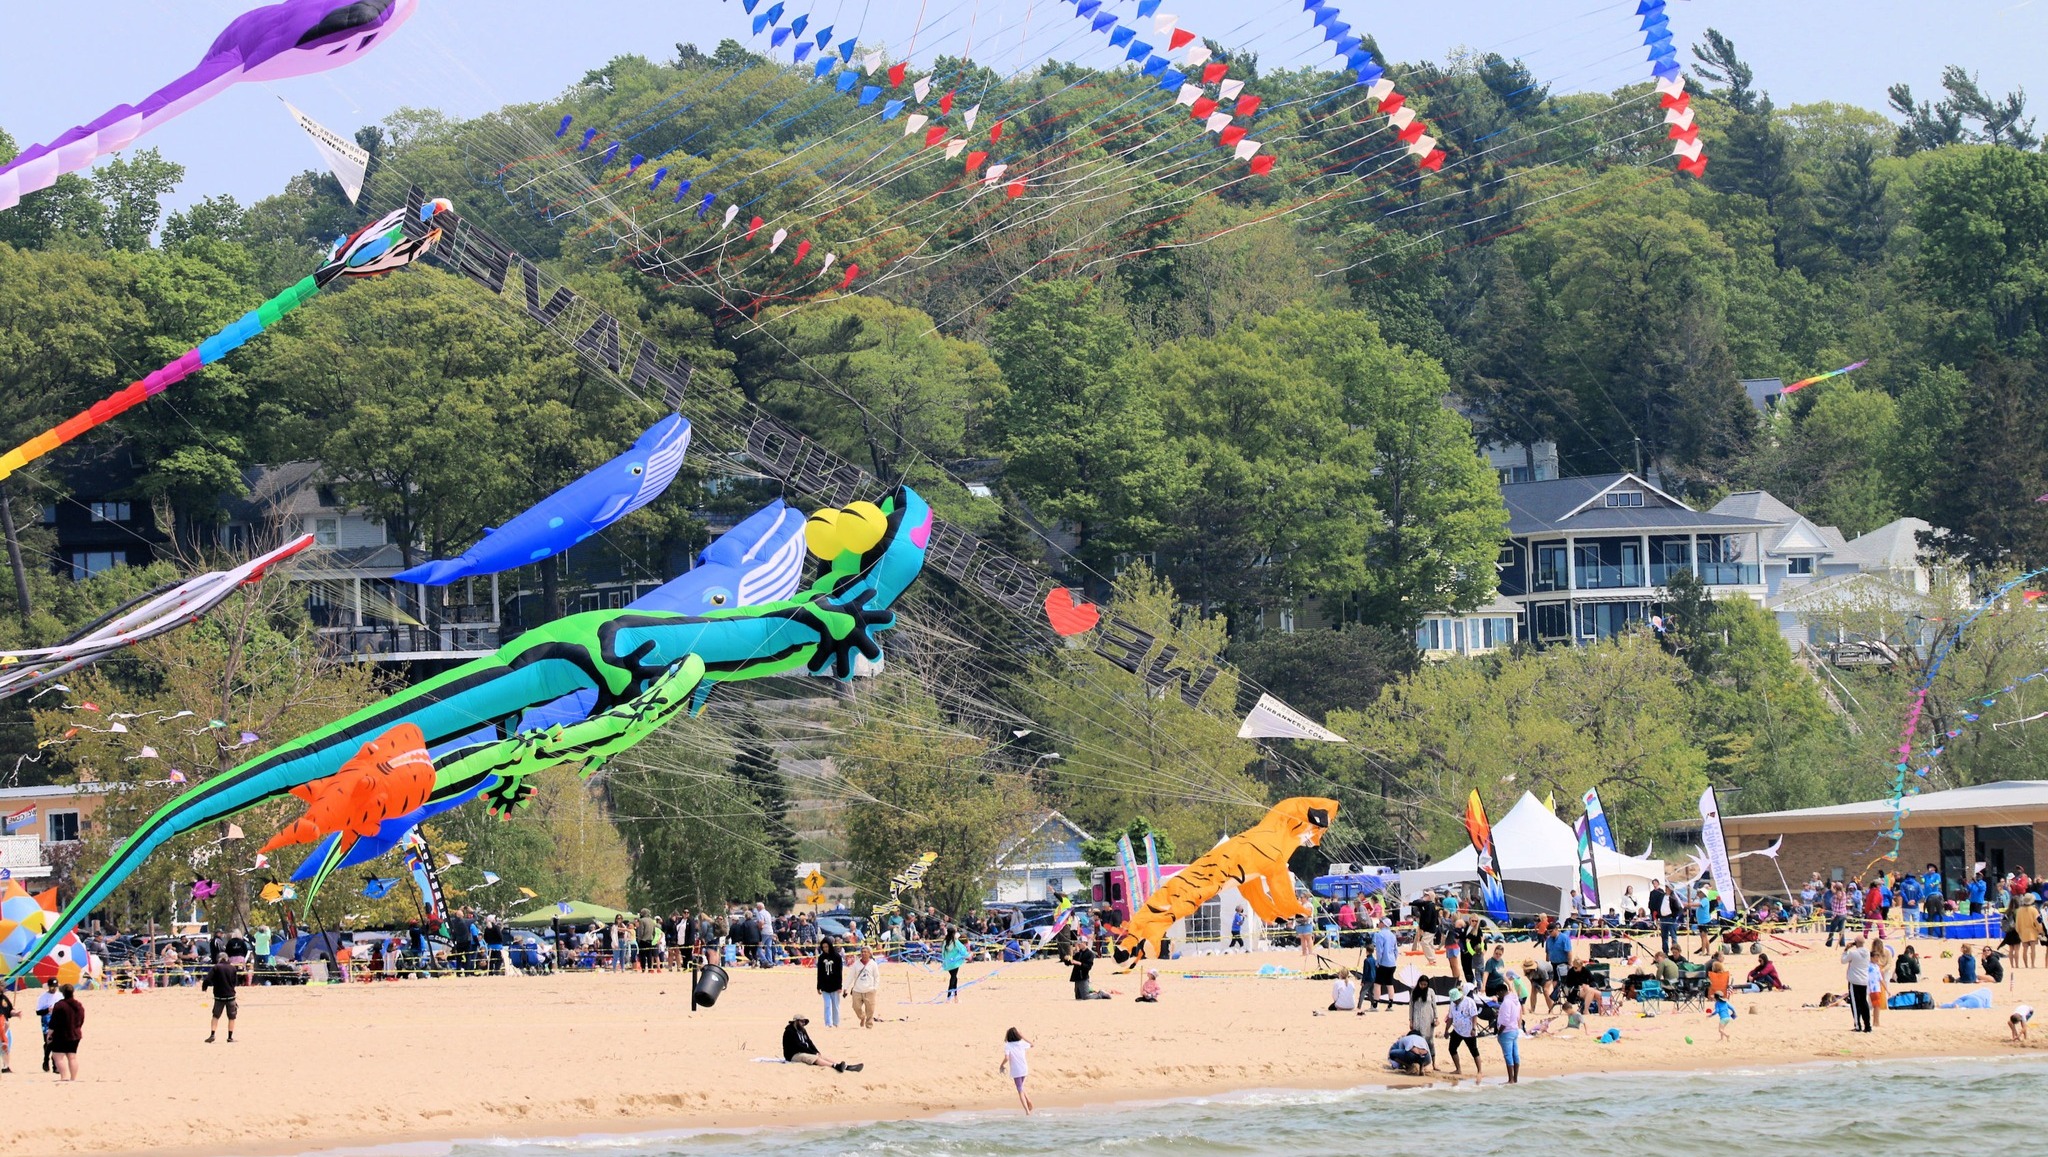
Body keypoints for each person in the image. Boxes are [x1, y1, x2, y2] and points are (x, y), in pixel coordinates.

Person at [781, 1015, 861, 1072]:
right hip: (793, 1055)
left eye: (804, 1022)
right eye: (802, 1021)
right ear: (796, 1021)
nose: (803, 1023)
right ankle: (835, 1066)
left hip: (802, 1051)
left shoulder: (802, 1030)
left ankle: (845, 1066)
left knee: (821, 1056)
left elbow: (809, 1041)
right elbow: (798, 1046)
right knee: (814, 1058)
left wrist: (816, 1051)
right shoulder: (789, 1031)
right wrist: (812, 1053)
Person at [45, 983, 82, 1081]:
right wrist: (77, 1028)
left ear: (63, 993)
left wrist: (49, 1034)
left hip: (61, 1035)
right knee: (72, 1056)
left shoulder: (59, 1005)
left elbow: (53, 1021)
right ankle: (73, 1078)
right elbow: (81, 1019)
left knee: (58, 1056)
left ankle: (64, 1077)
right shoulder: (78, 1005)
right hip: (75, 1034)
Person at [1445, 984, 1482, 1076]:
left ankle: (1480, 1071)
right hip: (1457, 1030)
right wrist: (1446, 1030)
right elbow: (1450, 1018)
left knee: (1474, 1050)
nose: (1455, 1002)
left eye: (1456, 1000)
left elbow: (1474, 1015)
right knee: (1452, 1049)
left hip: (1469, 1031)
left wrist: (1473, 1028)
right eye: (1454, 1000)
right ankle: (1458, 1069)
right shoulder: (1452, 1004)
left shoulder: (1469, 1002)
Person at [202, 951, 239, 1043]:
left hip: (219, 996)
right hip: (230, 996)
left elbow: (207, 979)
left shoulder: (216, 967)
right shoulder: (232, 968)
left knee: (215, 1016)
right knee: (231, 1017)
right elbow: (235, 982)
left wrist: (205, 987)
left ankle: (212, 1034)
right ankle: (230, 1037)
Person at [1365, 919, 1399, 1011]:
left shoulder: (1379, 935)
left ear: (1383, 924)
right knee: (1390, 983)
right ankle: (1390, 1005)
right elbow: (1396, 950)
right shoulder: (1392, 935)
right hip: (1392, 963)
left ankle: (1375, 1005)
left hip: (1383, 962)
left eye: (1380, 922)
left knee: (1377, 984)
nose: (1378, 923)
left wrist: (1378, 962)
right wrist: (1394, 959)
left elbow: (1380, 950)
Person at [998, 1027, 1032, 1114]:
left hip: (1016, 1070)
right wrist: (1023, 1036)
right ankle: (1028, 1100)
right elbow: (1032, 1044)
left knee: (1019, 1089)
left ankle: (1027, 1111)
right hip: (1024, 1068)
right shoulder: (1021, 1043)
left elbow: (1006, 1058)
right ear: (1017, 1035)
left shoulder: (1008, 1045)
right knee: (1021, 1086)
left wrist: (1001, 1065)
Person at [1406, 975, 1438, 1068]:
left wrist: (1436, 1018)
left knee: (1430, 1042)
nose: (1423, 986)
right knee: (1419, 1042)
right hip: (1417, 1020)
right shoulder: (1414, 992)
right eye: (1421, 984)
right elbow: (1411, 1007)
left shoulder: (1431, 992)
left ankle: (1434, 1063)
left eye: (1425, 984)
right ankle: (1421, 1065)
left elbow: (1434, 1006)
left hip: (1428, 1020)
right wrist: (1411, 1021)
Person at [1843, 937, 1873, 1033]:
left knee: (1855, 1004)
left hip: (1854, 981)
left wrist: (1846, 950)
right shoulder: (1867, 952)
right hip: (1864, 980)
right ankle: (1868, 1026)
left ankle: (1858, 1025)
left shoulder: (1853, 953)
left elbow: (1843, 960)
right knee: (1864, 1003)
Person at [1495, 984, 1522, 1083]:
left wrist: (1499, 1032)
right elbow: (1517, 1014)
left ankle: (1510, 1079)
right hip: (1514, 1029)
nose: (1498, 996)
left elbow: (1505, 1020)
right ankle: (1515, 1079)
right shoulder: (1515, 1000)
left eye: (1498, 994)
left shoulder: (1506, 1002)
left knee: (1508, 1055)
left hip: (1507, 1031)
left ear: (1501, 991)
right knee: (1515, 1054)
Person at [848, 946, 881, 1029]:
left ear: (869, 953)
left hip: (869, 990)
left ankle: (869, 1026)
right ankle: (862, 1017)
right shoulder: (856, 964)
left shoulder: (873, 964)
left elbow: (877, 977)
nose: (863, 953)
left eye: (865, 952)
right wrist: (845, 987)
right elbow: (850, 976)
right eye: (862, 952)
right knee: (856, 1007)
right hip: (857, 989)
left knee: (870, 1009)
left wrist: (875, 988)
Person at [816, 937, 845, 1028]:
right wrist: (818, 986)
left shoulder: (837, 957)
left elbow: (839, 972)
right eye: (823, 947)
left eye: (827, 947)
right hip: (825, 985)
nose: (825, 949)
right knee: (827, 1005)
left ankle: (836, 1022)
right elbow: (819, 972)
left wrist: (840, 986)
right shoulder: (821, 958)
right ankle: (828, 1023)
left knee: (835, 1005)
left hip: (835, 985)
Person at [34, 979, 58, 1073]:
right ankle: (46, 1060)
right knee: (49, 1042)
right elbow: (38, 1012)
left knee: (57, 1044)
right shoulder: (42, 997)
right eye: (52, 987)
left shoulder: (60, 995)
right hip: (46, 1022)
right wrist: (48, 1010)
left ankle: (55, 1065)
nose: (53, 989)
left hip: (57, 1021)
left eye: (55, 987)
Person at [940, 930, 968, 1003]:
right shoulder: (955, 942)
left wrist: (944, 961)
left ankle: (955, 997)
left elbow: (943, 952)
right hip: (955, 963)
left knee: (954, 978)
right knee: (953, 979)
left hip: (948, 963)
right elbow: (963, 949)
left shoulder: (945, 942)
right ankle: (948, 997)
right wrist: (969, 955)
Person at [0, 984, 13, 1073]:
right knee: (4, 1045)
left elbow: (10, 1011)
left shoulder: (4, 998)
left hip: (4, 1025)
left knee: (6, 1046)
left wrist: (16, 1013)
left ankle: (6, 1067)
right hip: (2, 1026)